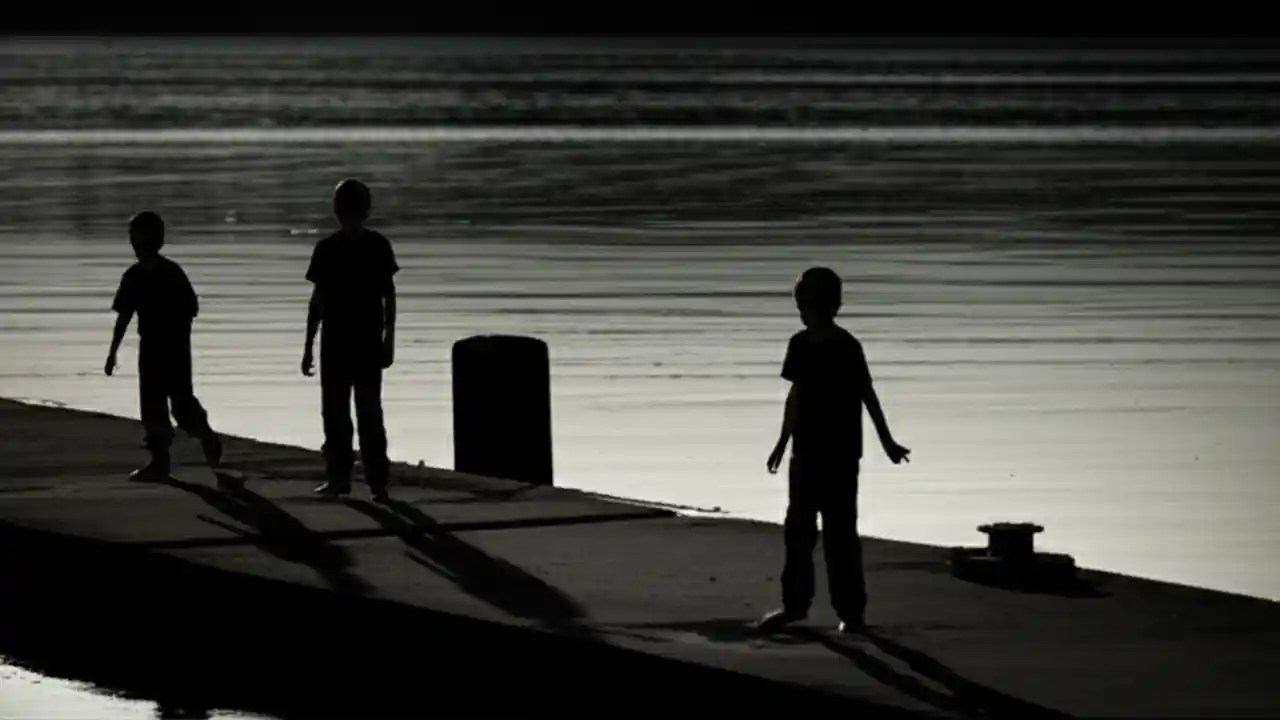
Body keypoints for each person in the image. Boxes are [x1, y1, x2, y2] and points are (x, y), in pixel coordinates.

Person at [756, 266, 910, 635]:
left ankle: (851, 611)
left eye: (809, 303)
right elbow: (795, 395)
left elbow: (865, 393)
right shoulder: (799, 344)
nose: (804, 310)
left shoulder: (846, 346)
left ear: (829, 305)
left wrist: (886, 440)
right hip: (805, 452)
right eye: (802, 303)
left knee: (840, 534)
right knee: (799, 532)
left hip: (840, 453)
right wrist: (782, 440)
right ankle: (795, 606)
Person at [104, 211, 224, 483]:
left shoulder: (171, 273)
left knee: (181, 405)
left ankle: (204, 435)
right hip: (152, 348)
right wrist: (113, 352)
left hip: (174, 348)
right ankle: (160, 460)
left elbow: (190, 310)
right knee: (153, 405)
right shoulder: (133, 277)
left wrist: (176, 336)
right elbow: (124, 315)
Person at [301, 178, 398, 502]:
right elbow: (319, 301)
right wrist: (308, 345)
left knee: (360, 413)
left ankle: (370, 480)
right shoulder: (333, 249)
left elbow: (387, 295)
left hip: (357, 342)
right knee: (343, 413)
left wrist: (389, 339)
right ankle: (350, 479)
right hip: (344, 342)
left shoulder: (362, 247)